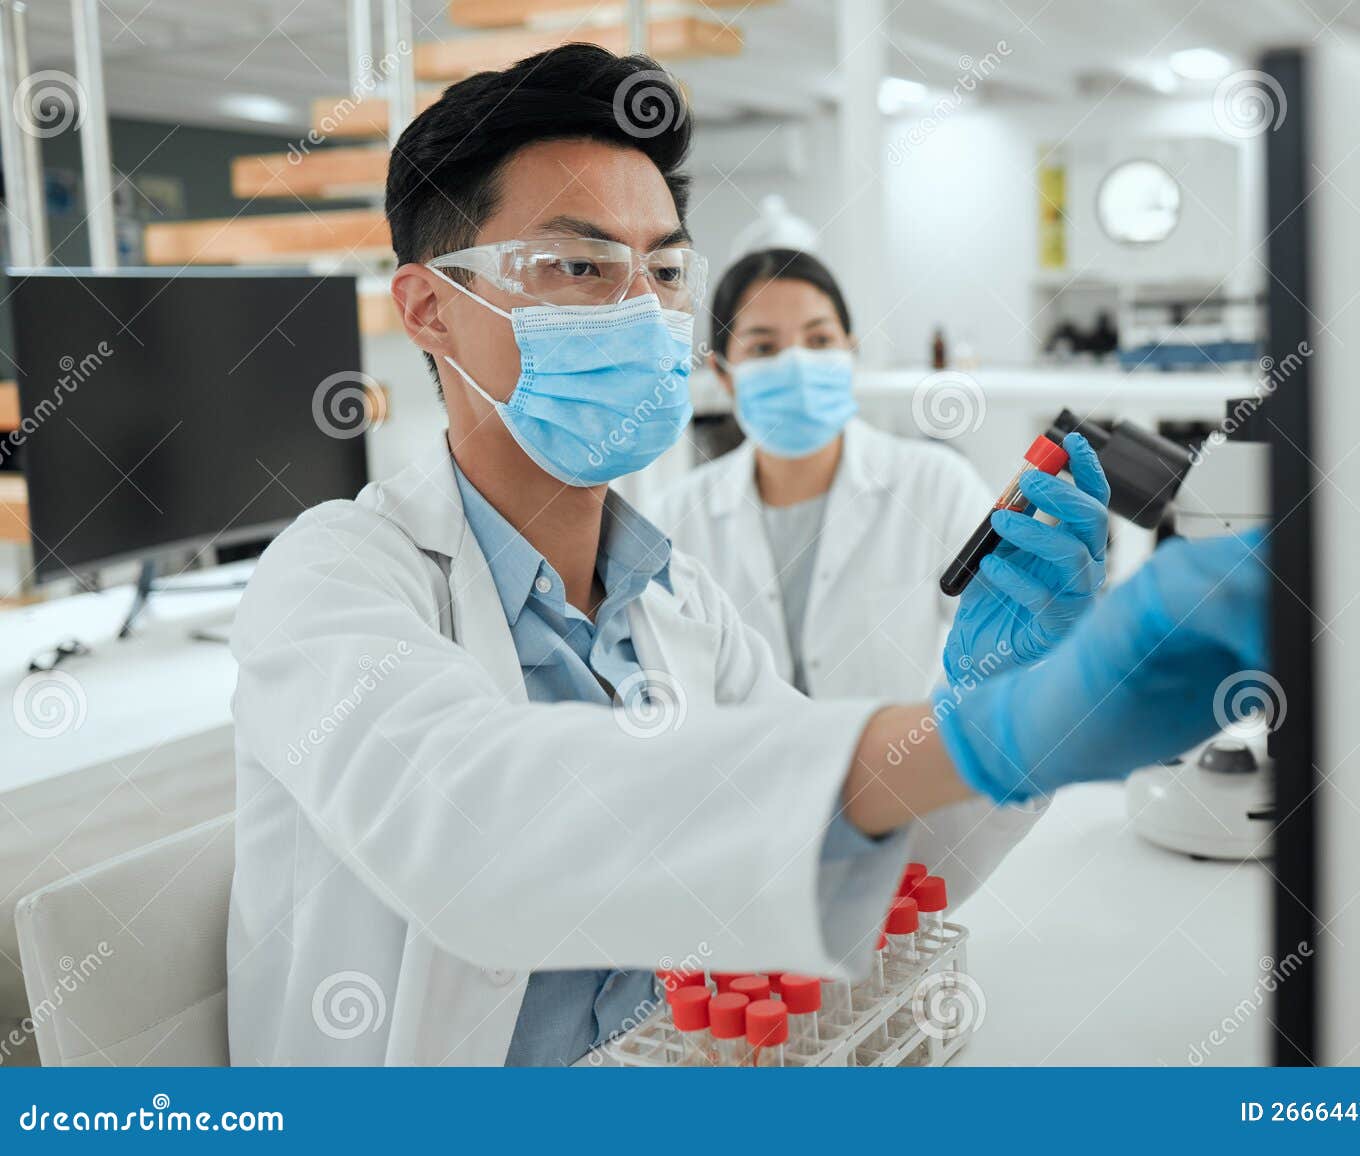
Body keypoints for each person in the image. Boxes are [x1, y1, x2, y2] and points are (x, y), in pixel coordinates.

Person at [225, 44, 1268, 1066]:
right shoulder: (331, 578)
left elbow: (845, 874)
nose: (643, 311)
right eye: (579, 266)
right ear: (428, 309)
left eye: (664, 269)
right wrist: (982, 735)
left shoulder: (679, 603)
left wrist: (994, 704)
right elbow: (478, 835)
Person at [647, 248, 1111, 700]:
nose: (798, 365)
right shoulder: (676, 518)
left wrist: (1023, 651)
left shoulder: (937, 484)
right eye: (764, 347)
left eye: (819, 340)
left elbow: (1011, 674)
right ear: (722, 373)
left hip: (903, 752)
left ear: (850, 352)